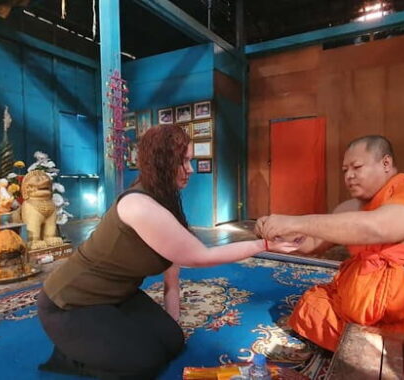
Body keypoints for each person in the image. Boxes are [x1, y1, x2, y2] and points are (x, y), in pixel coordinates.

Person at [37, 124, 299, 379]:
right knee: (144, 363)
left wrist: (171, 329)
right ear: (161, 163)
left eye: (190, 161)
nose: (190, 170)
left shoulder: (165, 202)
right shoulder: (139, 206)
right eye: (183, 162)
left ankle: (99, 344)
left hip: (118, 297)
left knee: (173, 342)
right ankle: (71, 355)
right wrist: (263, 245)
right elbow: (200, 257)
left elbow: (171, 281)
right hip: (70, 303)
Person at [256, 135, 404, 351]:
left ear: (386, 163)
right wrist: (276, 234)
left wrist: (297, 222)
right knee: (310, 307)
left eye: (357, 167)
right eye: (345, 170)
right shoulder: (349, 208)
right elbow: (310, 243)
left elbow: (378, 227)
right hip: (365, 317)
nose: (349, 176)